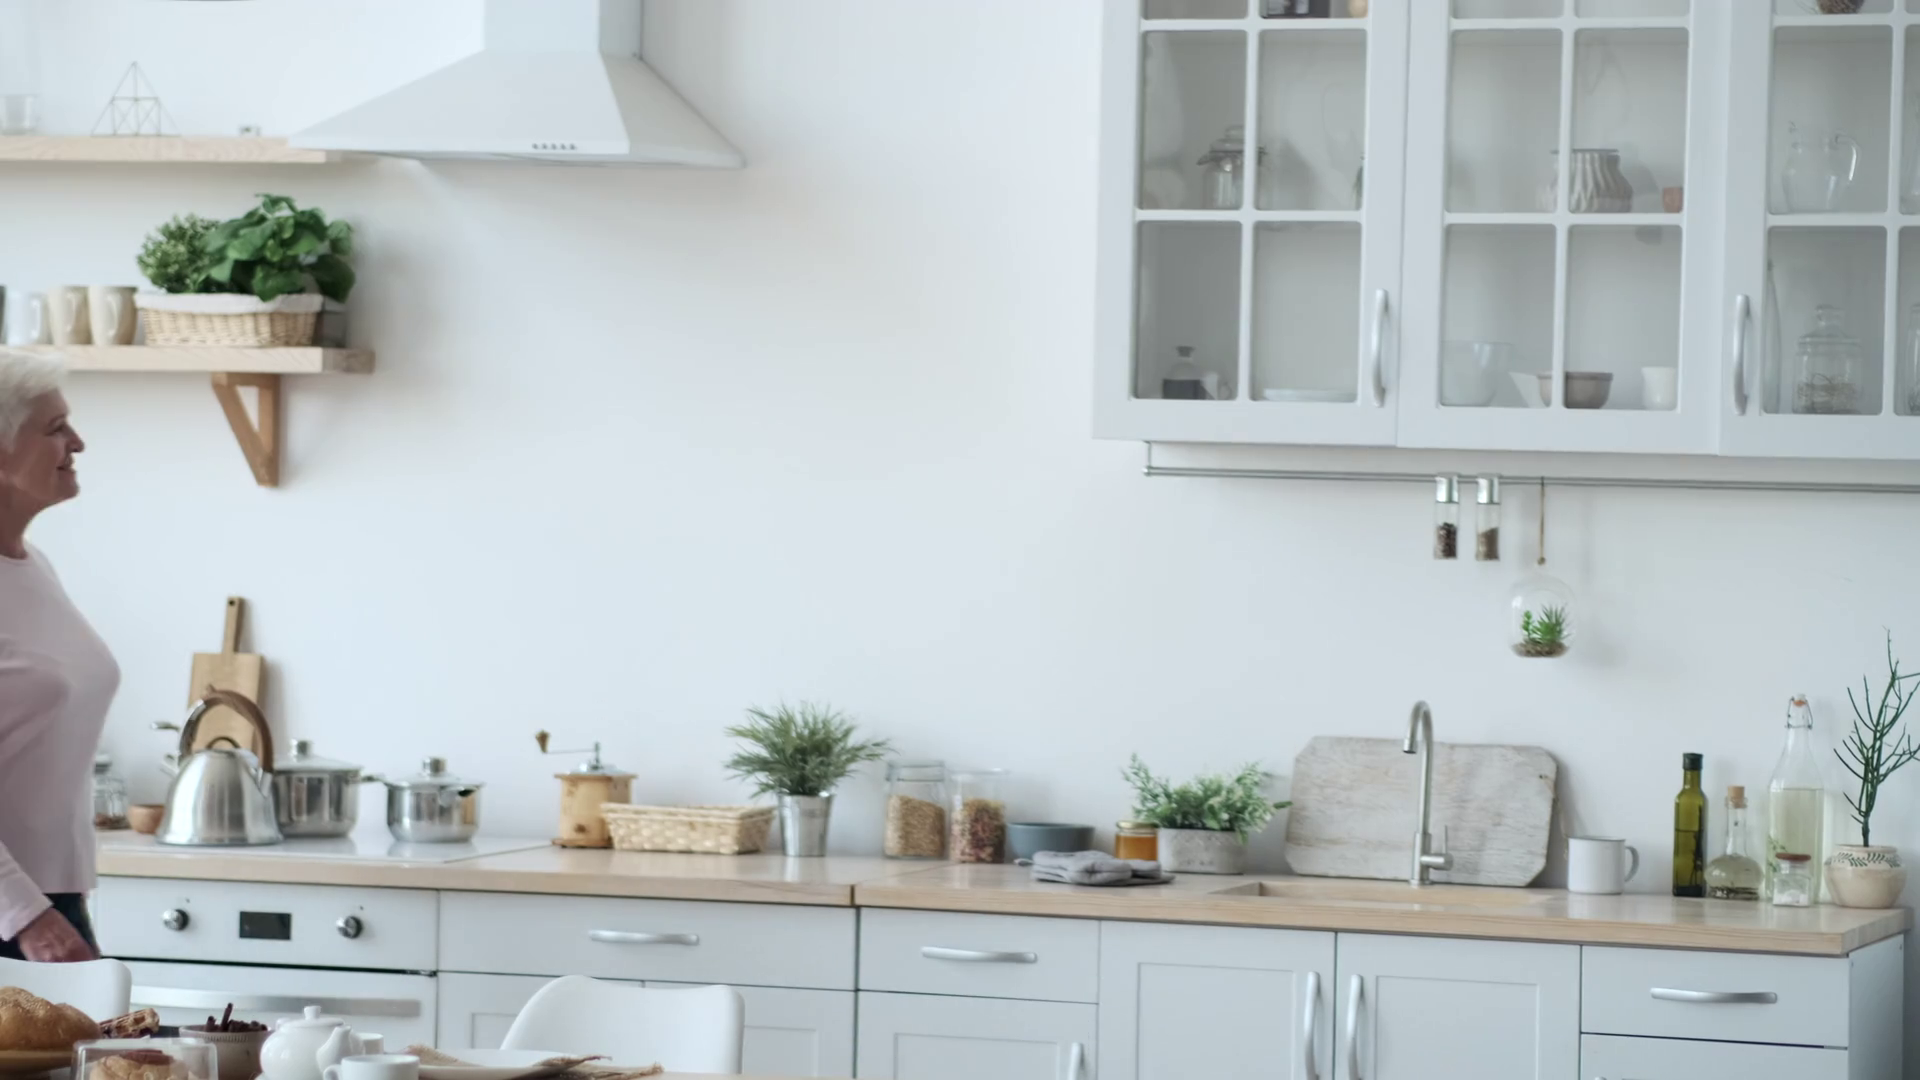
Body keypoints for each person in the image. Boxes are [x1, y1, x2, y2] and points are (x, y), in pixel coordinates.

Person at [0, 349, 118, 962]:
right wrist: (26, 916)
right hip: (18, 914)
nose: (77, 442)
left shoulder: (32, 566)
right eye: (54, 428)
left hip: (51, 900)